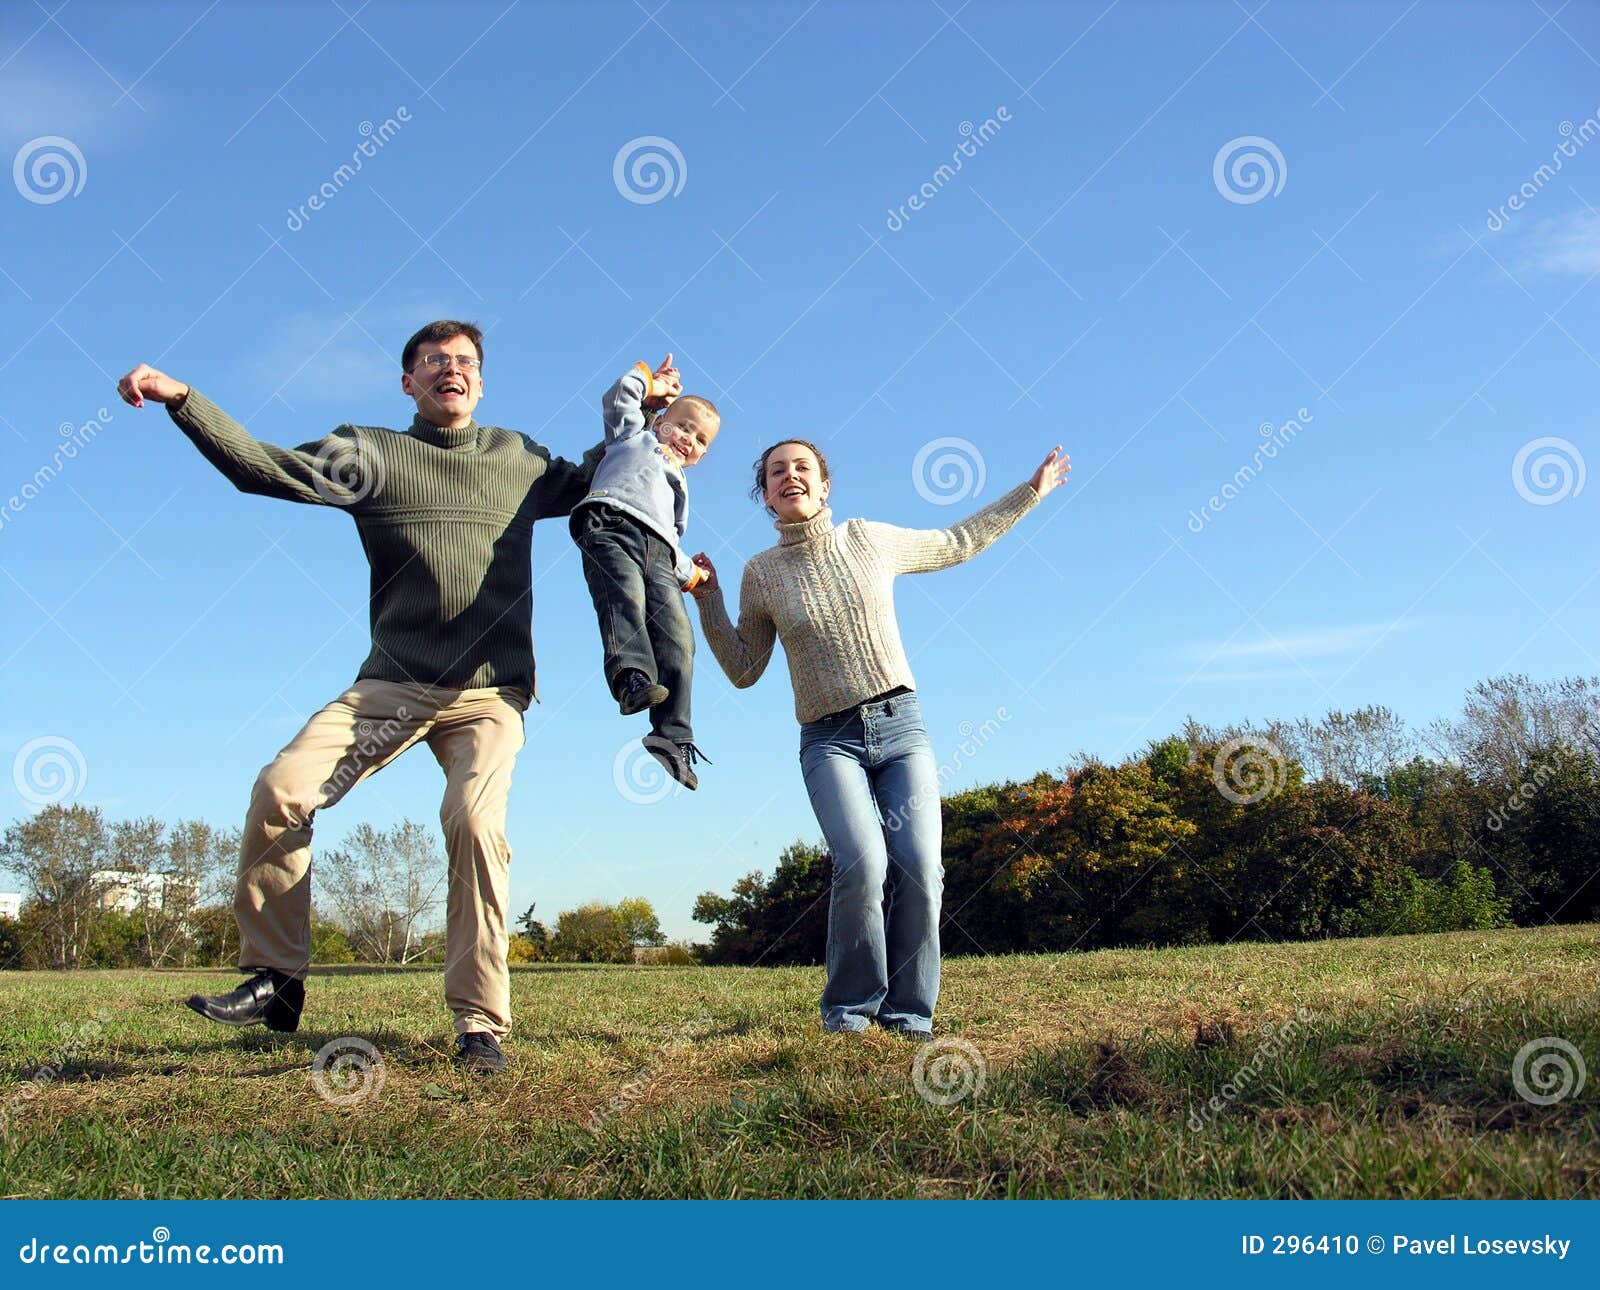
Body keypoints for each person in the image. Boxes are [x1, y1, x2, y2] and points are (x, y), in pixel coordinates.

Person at [114, 321, 603, 1075]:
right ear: (408, 382)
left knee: (474, 822)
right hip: (393, 683)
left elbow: (603, 481)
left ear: (481, 381)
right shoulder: (370, 454)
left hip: (488, 693)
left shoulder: (519, 458)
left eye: (465, 361)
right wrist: (184, 399)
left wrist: (648, 417)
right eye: (434, 360)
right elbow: (262, 468)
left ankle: (479, 1025)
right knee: (282, 790)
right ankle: (276, 976)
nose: (451, 369)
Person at [688, 440, 1070, 1037]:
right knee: (863, 865)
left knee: (919, 866)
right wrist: (708, 598)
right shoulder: (761, 573)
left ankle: (910, 1013)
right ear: (765, 496)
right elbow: (744, 669)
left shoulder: (867, 538)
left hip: (900, 726)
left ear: (824, 485)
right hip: (827, 739)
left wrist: (1030, 493)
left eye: (802, 467)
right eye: (776, 472)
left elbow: (956, 542)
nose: (790, 476)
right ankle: (849, 1010)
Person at [570, 355, 719, 789]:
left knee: (680, 638)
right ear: (661, 421)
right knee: (624, 597)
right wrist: (652, 382)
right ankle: (632, 677)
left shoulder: (680, 485)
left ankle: (672, 737)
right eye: (683, 426)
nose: (689, 439)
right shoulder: (633, 437)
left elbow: (671, 538)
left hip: (660, 553)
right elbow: (619, 397)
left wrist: (694, 576)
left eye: (701, 439)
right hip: (610, 525)